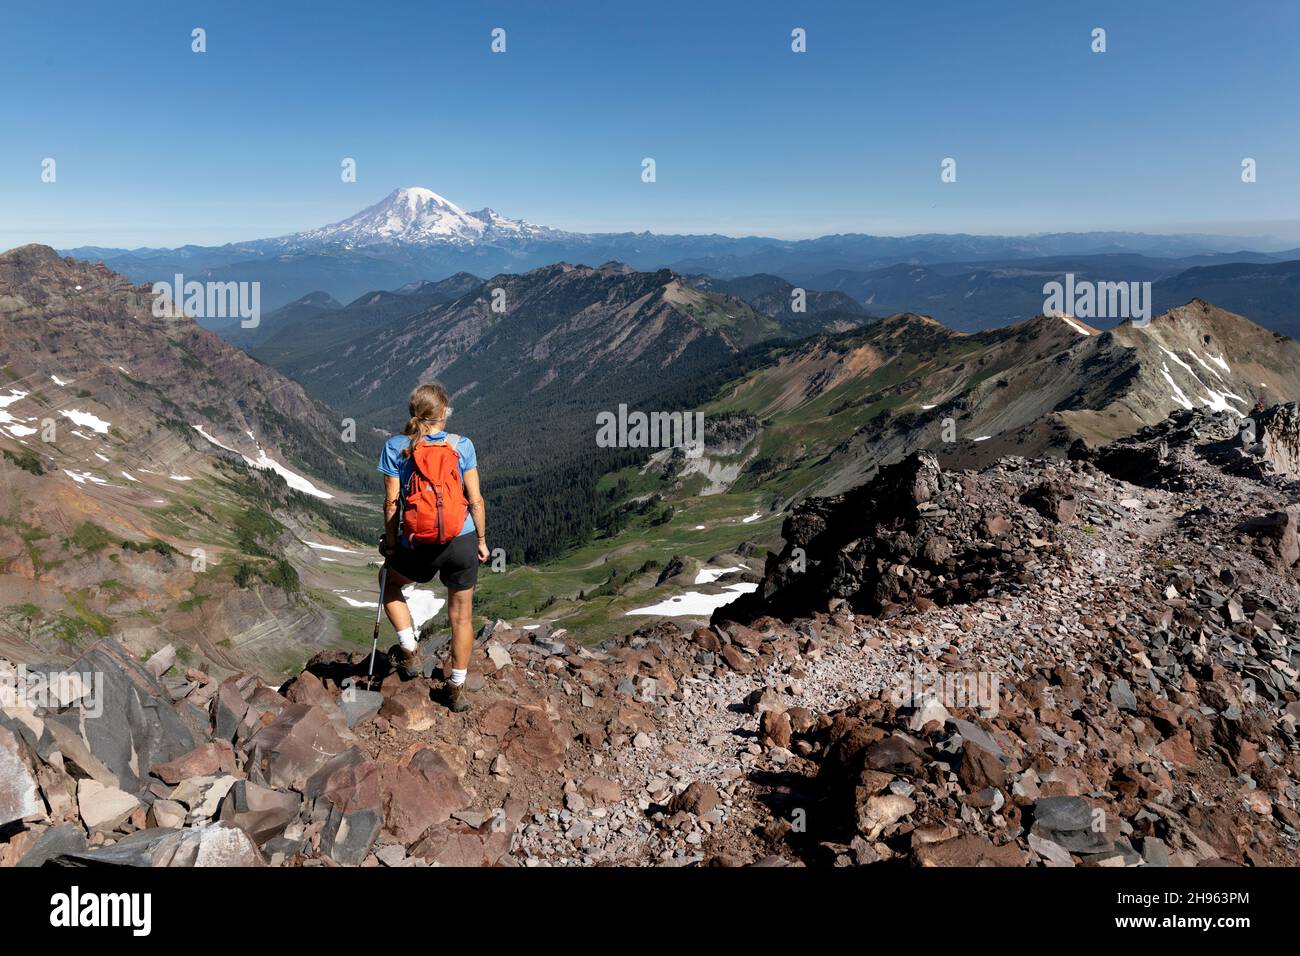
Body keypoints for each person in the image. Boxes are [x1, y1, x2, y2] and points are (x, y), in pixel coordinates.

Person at [377, 383, 488, 712]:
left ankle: (410, 651)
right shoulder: (461, 446)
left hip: (418, 542)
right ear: (443, 414)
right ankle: (456, 687)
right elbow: (476, 500)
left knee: (389, 583)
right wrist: (481, 541)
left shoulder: (396, 446)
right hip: (462, 538)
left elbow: (391, 503)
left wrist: (392, 542)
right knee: (461, 617)